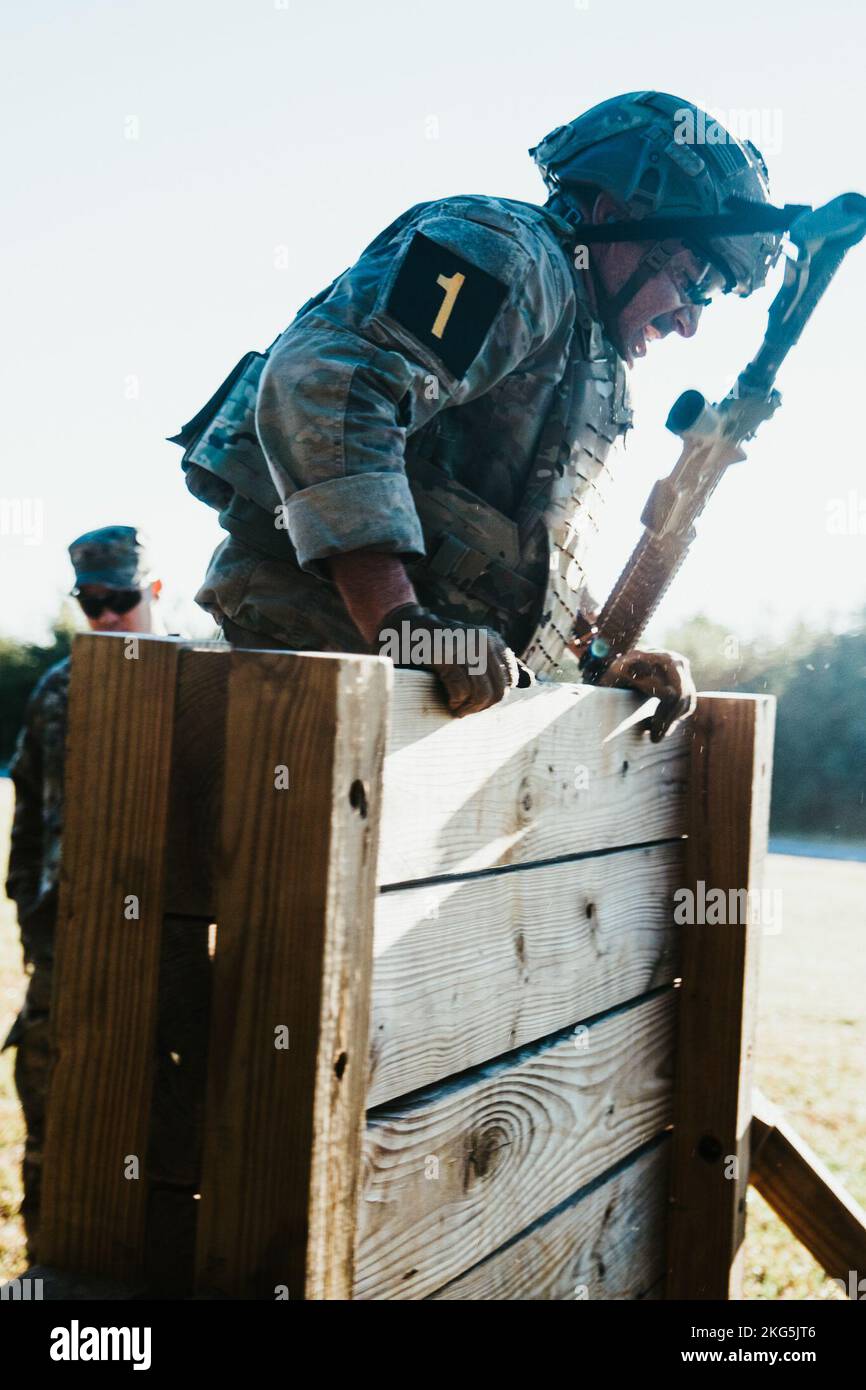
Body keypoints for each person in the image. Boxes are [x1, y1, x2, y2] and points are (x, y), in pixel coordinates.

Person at [177, 91, 782, 730]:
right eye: (693, 282)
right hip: (306, 675)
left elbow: (509, 550)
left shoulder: (593, 350)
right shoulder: (507, 256)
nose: (690, 321)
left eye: (709, 299)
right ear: (612, 215)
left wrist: (600, 651)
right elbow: (328, 386)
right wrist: (402, 623)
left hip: (427, 704)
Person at [3, 525, 164, 1256]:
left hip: (168, 947)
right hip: (66, 945)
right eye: (89, 602)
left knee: (163, 1113)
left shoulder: (198, 681)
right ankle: (49, 1263)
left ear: (153, 592)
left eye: (120, 600)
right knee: (48, 1098)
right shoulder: (56, 690)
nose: (104, 617)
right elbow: (28, 825)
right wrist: (35, 926)